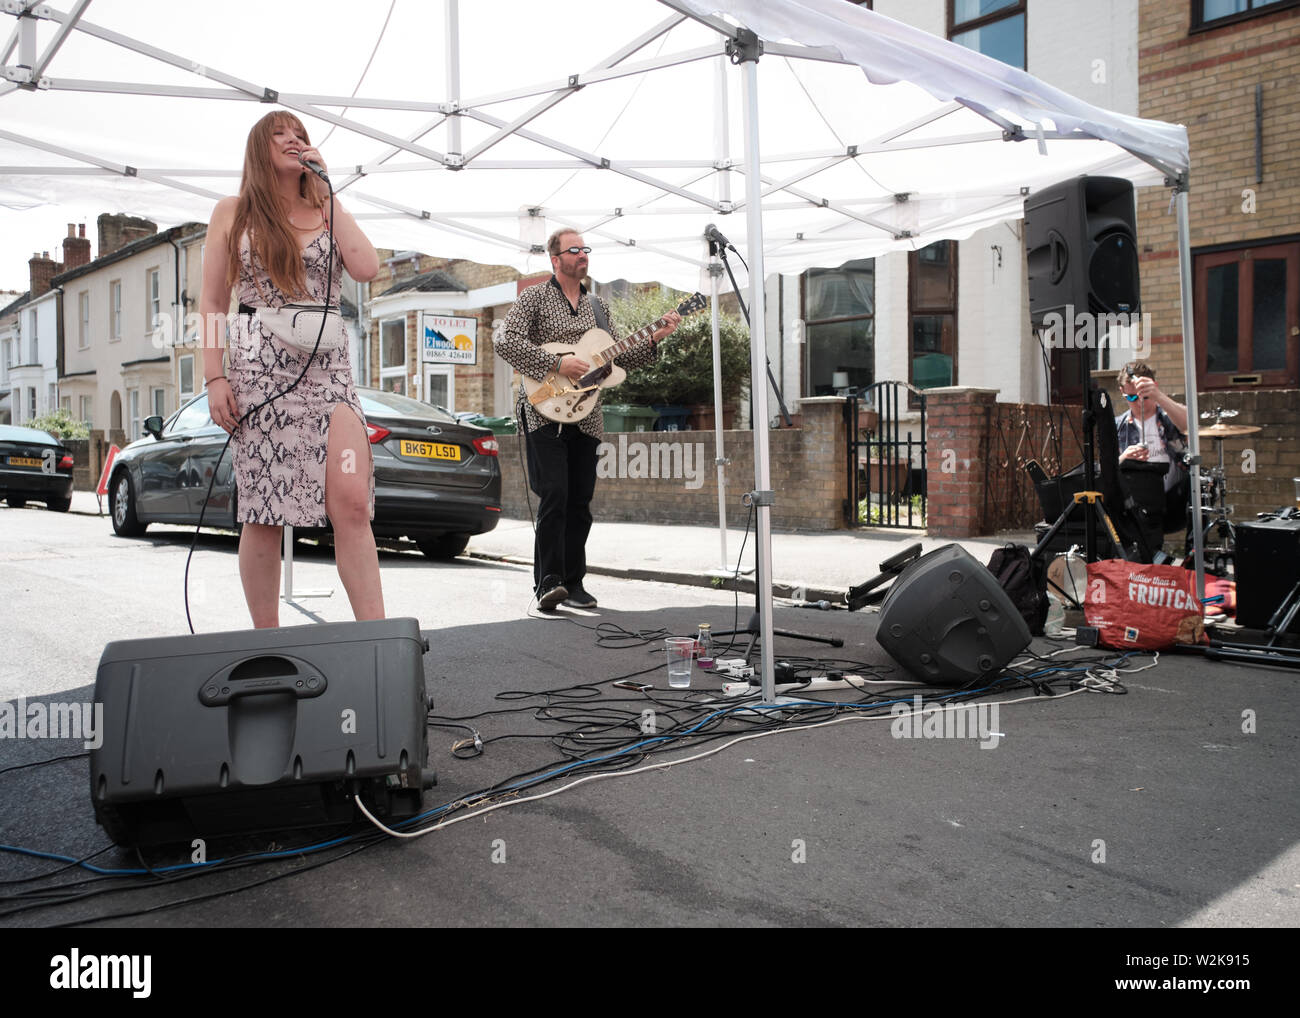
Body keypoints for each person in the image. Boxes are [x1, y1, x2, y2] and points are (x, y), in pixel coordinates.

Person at [200, 110, 383, 628]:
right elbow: (212, 302)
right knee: (264, 511)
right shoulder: (233, 212)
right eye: (280, 134)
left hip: (330, 371)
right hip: (260, 370)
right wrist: (215, 377)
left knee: (350, 502)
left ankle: (378, 641)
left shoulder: (323, 208)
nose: (293, 140)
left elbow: (366, 267)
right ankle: (266, 641)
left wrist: (328, 192)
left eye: (300, 134)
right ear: (260, 149)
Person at [496, 229, 681, 610]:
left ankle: (573, 582)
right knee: (555, 494)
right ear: (555, 259)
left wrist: (654, 338)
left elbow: (616, 358)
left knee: (580, 501)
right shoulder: (534, 297)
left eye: (585, 249)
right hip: (542, 409)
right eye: (574, 249)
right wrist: (557, 362)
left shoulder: (598, 306)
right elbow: (505, 341)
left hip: (587, 415)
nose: (582, 255)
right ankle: (547, 581)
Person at [1115, 360, 1190, 533]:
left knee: (1199, 480)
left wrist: (1159, 396)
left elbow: (1190, 425)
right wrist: (1123, 459)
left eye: (1145, 397)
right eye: (1132, 397)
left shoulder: (1169, 415)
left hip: (1173, 500)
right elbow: (1106, 470)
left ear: (1154, 387)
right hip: (1138, 503)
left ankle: (1193, 553)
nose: (1139, 403)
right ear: (1122, 392)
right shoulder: (1118, 426)